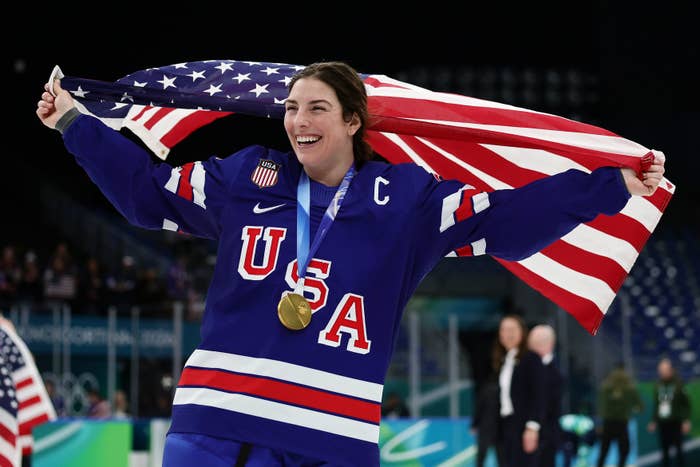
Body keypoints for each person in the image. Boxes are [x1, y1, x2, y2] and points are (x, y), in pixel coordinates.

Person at [37, 60, 666, 467]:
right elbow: (148, 195)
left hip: (329, 437)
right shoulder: (244, 176)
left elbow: (507, 220)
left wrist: (609, 189)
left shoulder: (407, 202)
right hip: (215, 424)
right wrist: (73, 123)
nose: (298, 121)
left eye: (316, 109)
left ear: (353, 121)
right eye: (290, 108)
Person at [493, 314, 546, 467]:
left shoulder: (531, 359)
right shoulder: (505, 360)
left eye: (512, 329)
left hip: (523, 425)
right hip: (505, 425)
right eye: (503, 330)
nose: (507, 334)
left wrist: (532, 426)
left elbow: (539, 394)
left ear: (522, 332)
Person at [528, 324, 564, 467]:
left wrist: (533, 426)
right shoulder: (529, 367)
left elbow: (545, 404)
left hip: (546, 435)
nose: (532, 348)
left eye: (537, 343)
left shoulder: (554, 373)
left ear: (550, 344)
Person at [595, 364, 643, 467]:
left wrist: (600, 422)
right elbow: (639, 406)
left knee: (603, 452)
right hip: (622, 423)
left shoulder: (606, 385)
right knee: (624, 451)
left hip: (608, 422)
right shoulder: (629, 386)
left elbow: (601, 405)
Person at [647, 357, 691, 467]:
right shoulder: (658, 385)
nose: (662, 373)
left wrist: (686, 420)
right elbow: (657, 405)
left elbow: (686, 404)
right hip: (663, 423)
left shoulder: (678, 384)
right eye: (660, 371)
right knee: (665, 452)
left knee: (679, 451)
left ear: (670, 370)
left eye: (664, 370)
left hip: (675, 422)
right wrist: (653, 421)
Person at [471, 377, 502, 467]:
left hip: (487, 426)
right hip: (498, 426)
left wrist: (474, 424)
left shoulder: (484, 390)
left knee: (481, 456)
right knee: (501, 457)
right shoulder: (502, 389)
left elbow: (478, 409)